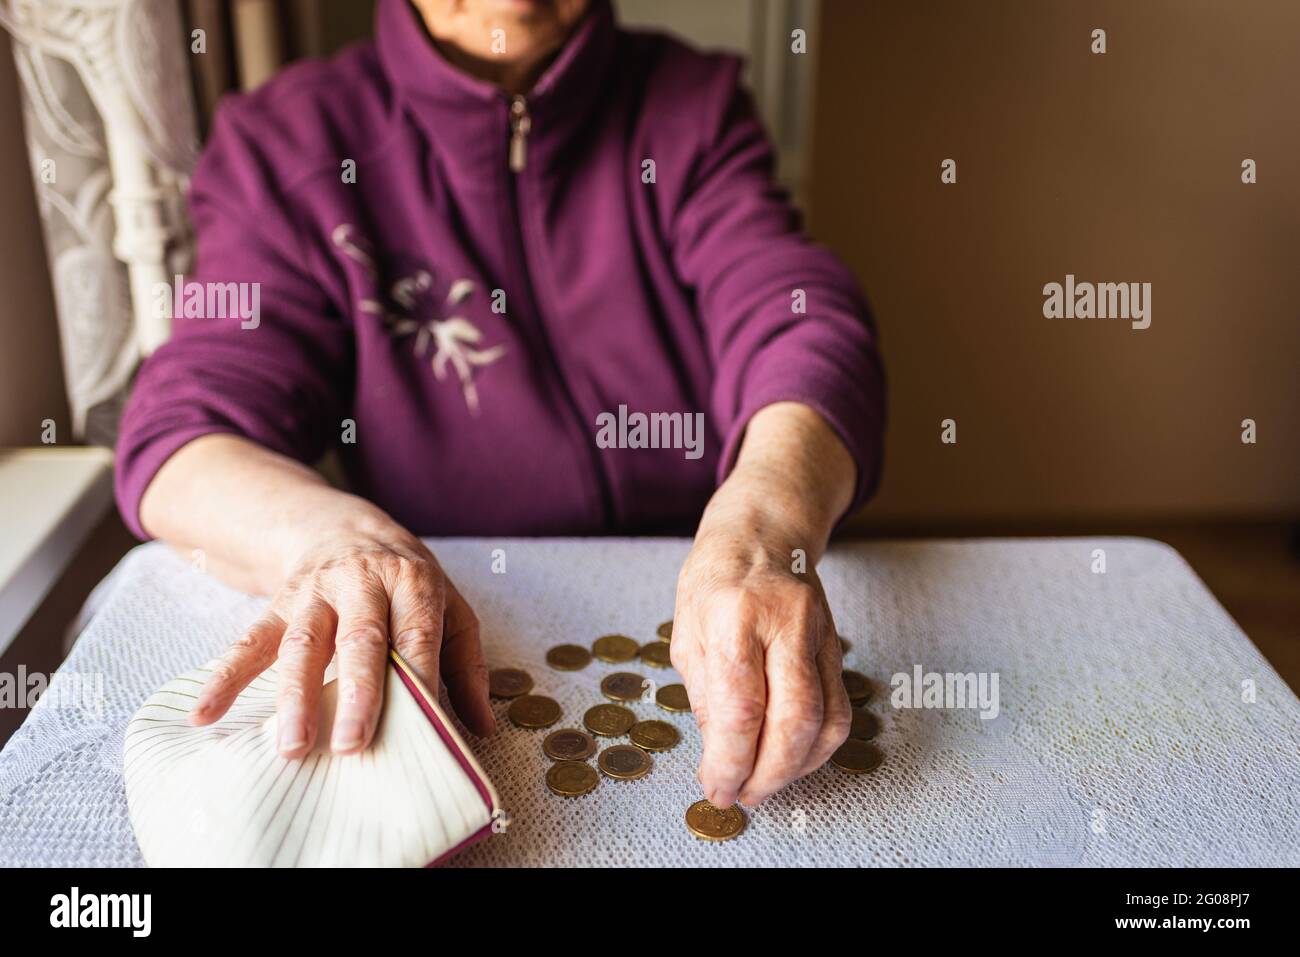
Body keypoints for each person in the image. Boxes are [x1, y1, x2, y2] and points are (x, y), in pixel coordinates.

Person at [115, 0, 885, 812]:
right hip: (479, 608)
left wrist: (762, 527)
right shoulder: (286, 142)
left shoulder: (691, 98)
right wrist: (338, 538)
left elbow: (800, 319)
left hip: (703, 570)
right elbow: (183, 433)